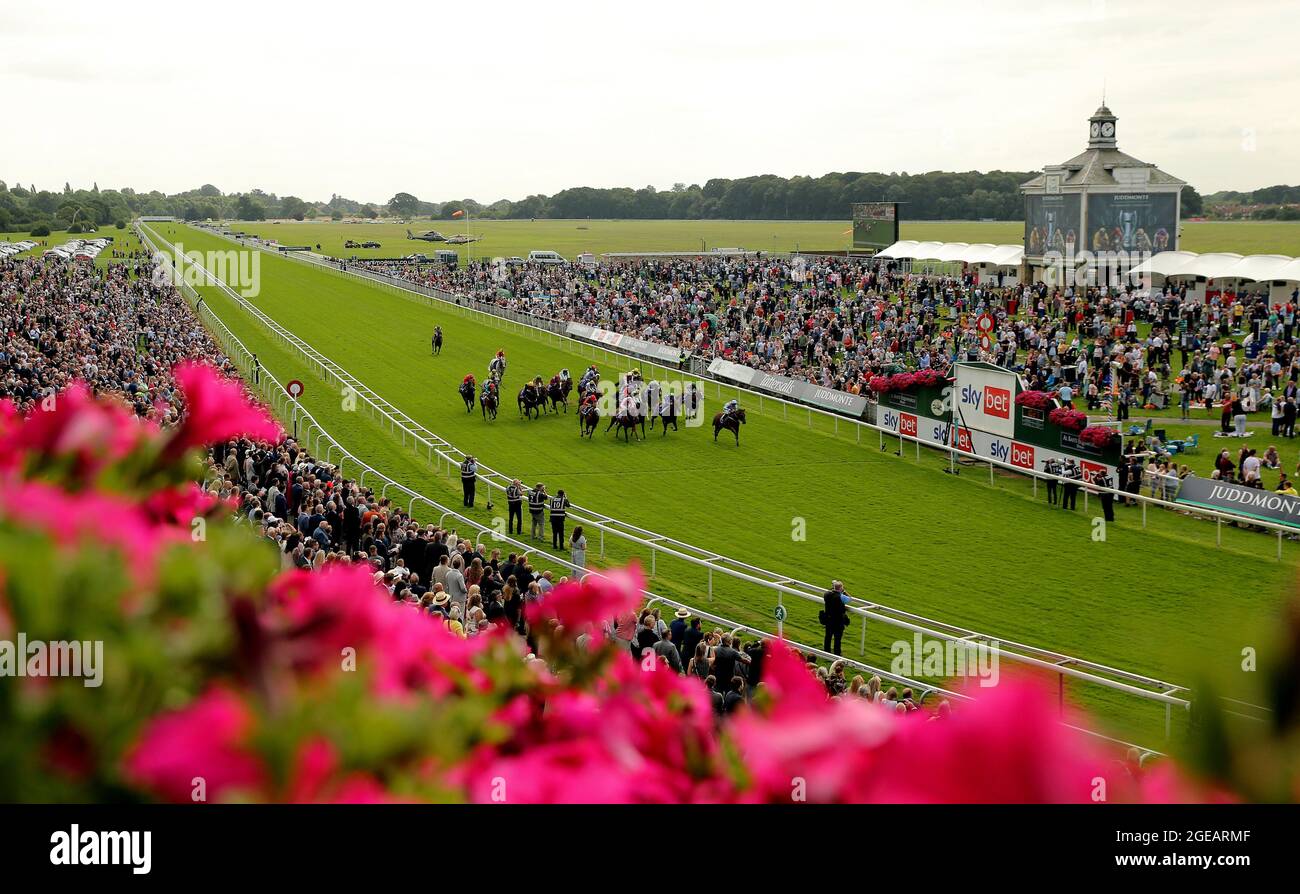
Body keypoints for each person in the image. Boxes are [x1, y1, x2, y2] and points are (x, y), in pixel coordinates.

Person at [821, 580, 849, 656]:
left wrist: (834, 586)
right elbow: (849, 599)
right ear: (841, 588)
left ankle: (826, 651)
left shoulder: (826, 594)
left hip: (829, 619)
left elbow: (830, 591)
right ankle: (837, 653)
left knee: (828, 636)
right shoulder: (841, 597)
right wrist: (844, 591)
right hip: (838, 621)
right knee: (837, 639)